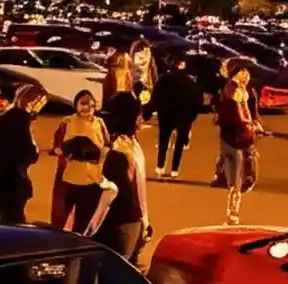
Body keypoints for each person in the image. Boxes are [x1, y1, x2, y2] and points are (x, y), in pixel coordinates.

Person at [96, 92, 151, 267]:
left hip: (134, 219)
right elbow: (122, 191)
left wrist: (145, 220)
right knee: (120, 271)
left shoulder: (132, 144)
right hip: (123, 222)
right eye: (139, 116)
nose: (142, 120)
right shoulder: (117, 148)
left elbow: (139, 186)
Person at [0, 84, 46, 223]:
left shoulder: (8, 118)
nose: (40, 107)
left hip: (0, 180)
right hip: (12, 182)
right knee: (13, 223)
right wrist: (34, 151)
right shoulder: (20, 120)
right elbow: (25, 151)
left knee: (3, 220)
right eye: (40, 103)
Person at [49, 89, 110, 231]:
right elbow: (56, 146)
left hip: (91, 180)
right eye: (82, 104)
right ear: (75, 105)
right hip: (68, 179)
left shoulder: (99, 123)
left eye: (90, 104)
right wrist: (67, 150)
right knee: (60, 219)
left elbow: (107, 146)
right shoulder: (67, 122)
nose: (86, 108)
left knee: (84, 222)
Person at [216, 60, 263, 224]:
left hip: (241, 139)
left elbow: (251, 113)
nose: (246, 74)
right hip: (234, 139)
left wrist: (255, 123)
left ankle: (233, 208)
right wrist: (251, 125)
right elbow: (238, 116)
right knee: (236, 179)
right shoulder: (232, 91)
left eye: (246, 71)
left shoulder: (246, 91)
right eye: (242, 71)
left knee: (243, 178)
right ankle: (233, 213)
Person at [150, 52, 202, 179]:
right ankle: (174, 169)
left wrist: (155, 109)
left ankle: (160, 167)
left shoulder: (164, 79)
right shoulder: (190, 82)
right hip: (184, 116)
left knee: (163, 141)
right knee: (179, 144)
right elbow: (196, 100)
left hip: (166, 114)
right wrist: (192, 116)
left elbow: (156, 96)